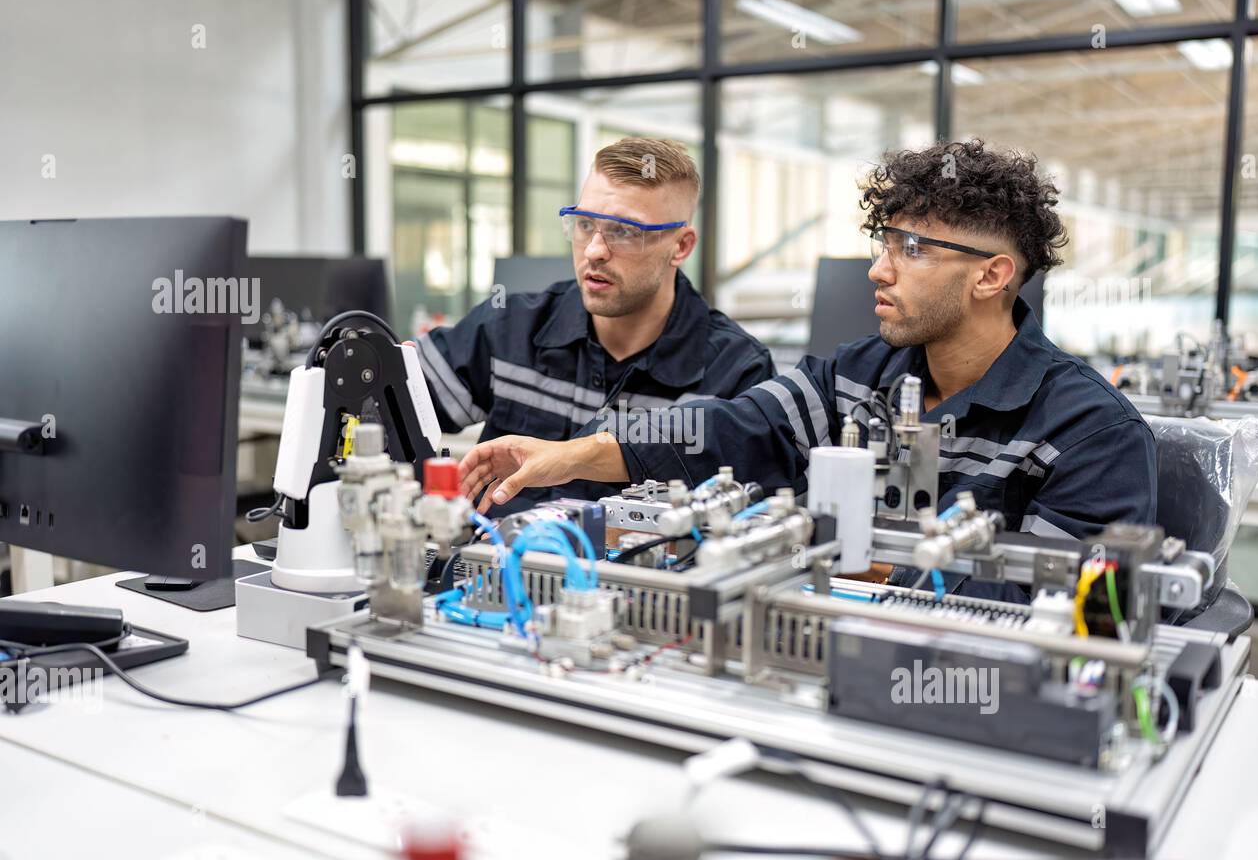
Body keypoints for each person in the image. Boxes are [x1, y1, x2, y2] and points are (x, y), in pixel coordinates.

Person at [458, 139, 1157, 598]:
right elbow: (733, 429)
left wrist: (868, 566)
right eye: (885, 243)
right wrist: (573, 454)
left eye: (912, 249)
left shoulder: (1090, 430)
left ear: (993, 276)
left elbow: (1068, 609)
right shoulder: (859, 375)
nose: (878, 270)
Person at [411, 137, 773, 514]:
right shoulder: (509, 327)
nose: (594, 251)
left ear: (680, 247)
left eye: (626, 231)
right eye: (585, 224)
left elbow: (753, 522)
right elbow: (384, 407)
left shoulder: (735, 373)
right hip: (491, 565)